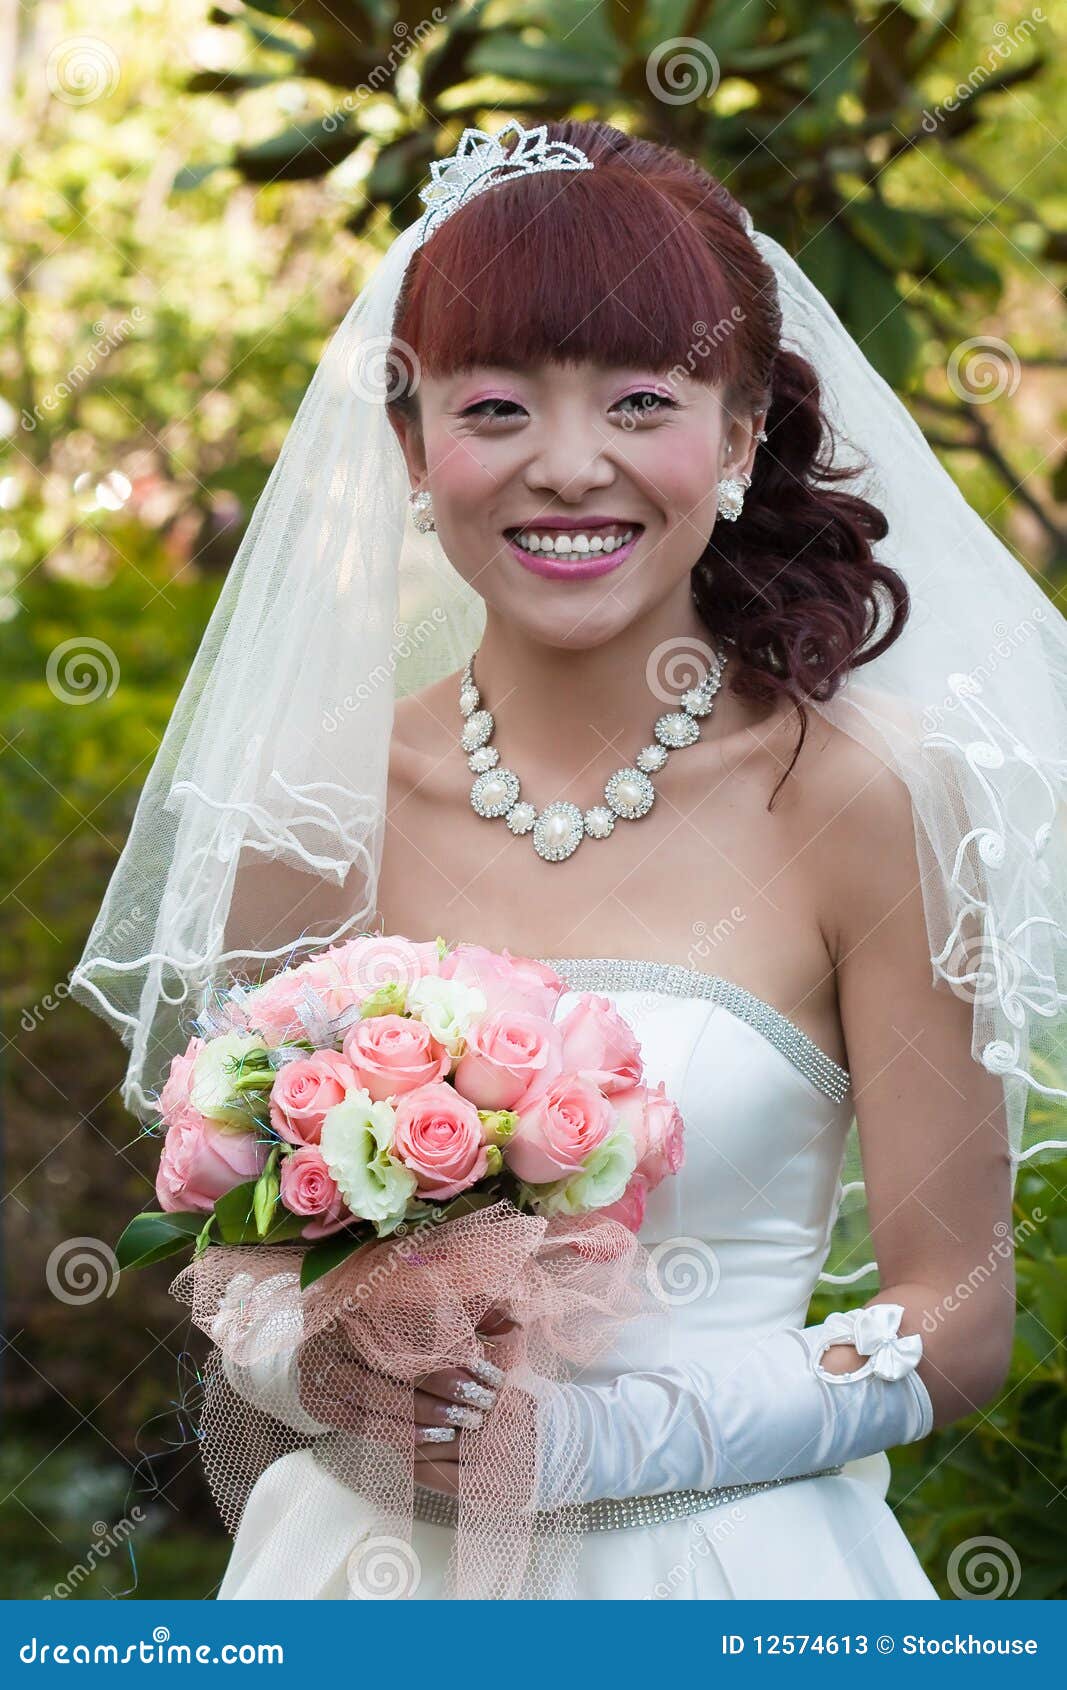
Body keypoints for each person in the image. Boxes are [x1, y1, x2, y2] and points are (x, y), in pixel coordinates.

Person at [71, 119, 1067, 1600]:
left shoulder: (869, 800)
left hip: (730, 1577)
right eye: (495, 408)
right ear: (412, 447)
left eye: (642, 398)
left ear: (736, 439)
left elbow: (960, 1311)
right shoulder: (312, 812)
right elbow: (238, 1273)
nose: (569, 463)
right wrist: (328, 1368)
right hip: (367, 1576)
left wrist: (596, 1446)